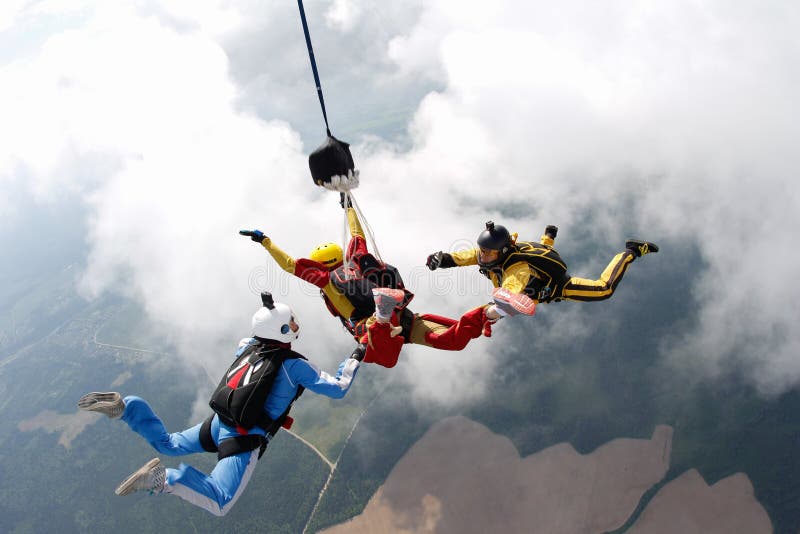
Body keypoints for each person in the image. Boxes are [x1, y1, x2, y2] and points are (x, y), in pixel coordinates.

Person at [77, 293, 362, 516]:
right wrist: (356, 356)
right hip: (243, 437)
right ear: (285, 330)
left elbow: (256, 335)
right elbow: (338, 389)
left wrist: (269, 310)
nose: (297, 325)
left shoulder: (247, 345)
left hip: (217, 423)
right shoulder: (295, 366)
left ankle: (127, 408)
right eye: (293, 322)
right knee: (219, 500)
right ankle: (163, 479)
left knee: (168, 444)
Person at [240, 201, 494, 368]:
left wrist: (266, 242)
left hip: (372, 326)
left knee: (383, 357)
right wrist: (349, 207)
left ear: (320, 264)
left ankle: (381, 317)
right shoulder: (354, 259)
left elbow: (290, 265)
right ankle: (490, 311)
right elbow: (357, 233)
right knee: (452, 341)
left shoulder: (326, 279)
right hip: (403, 317)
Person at [426, 221, 658, 314]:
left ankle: (631, 251)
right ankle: (548, 237)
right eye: (482, 250)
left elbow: (512, 286)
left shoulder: (518, 268)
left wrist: (497, 308)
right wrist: (443, 259)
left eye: (487, 252)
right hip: (537, 272)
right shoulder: (491, 253)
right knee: (541, 250)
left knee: (604, 289)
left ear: (503, 251)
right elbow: (464, 257)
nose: (482, 256)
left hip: (558, 286)